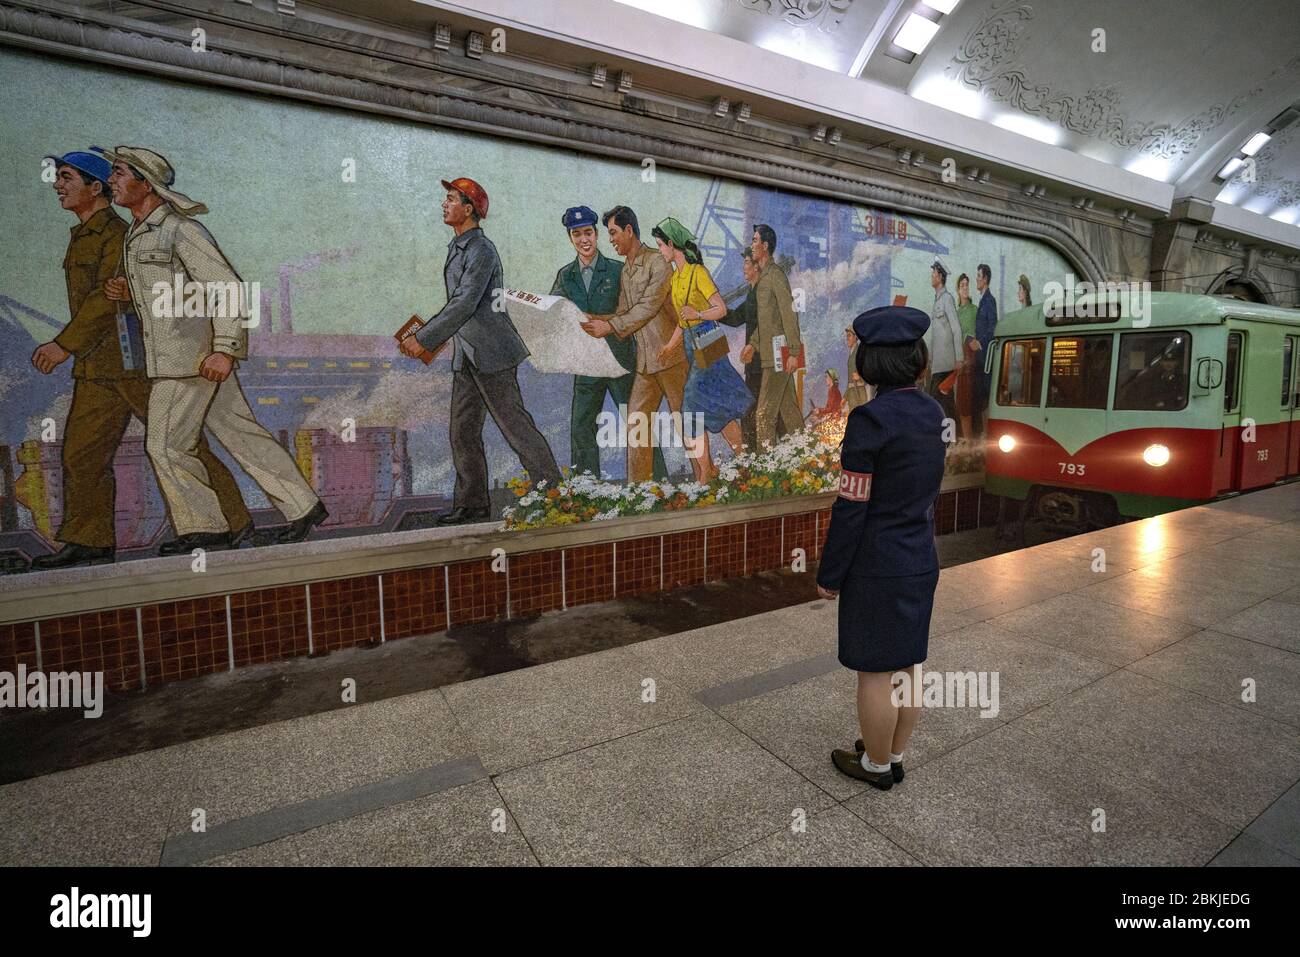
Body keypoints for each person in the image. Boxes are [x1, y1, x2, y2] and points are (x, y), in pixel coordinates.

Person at [30, 151, 251, 568]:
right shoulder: (83, 234)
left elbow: (101, 301)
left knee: (180, 446)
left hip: (135, 362)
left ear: (95, 188)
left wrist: (64, 344)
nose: (57, 185)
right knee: (82, 454)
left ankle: (231, 523)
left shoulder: (118, 234)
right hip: (98, 369)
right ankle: (89, 539)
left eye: (66, 177)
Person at [100, 145, 324, 554]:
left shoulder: (180, 229)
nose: (110, 179)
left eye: (117, 173)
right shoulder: (138, 233)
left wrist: (225, 349)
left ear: (144, 183)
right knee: (241, 434)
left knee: (165, 445)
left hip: (191, 361)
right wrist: (131, 294)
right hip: (185, 357)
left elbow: (227, 288)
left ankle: (204, 529)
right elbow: (173, 293)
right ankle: (303, 506)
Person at [816, 305, 946, 790]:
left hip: (876, 566)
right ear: (918, 361)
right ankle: (891, 753)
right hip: (919, 559)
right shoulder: (933, 413)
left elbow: (852, 506)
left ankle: (873, 767)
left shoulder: (868, 420)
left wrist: (830, 574)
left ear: (870, 365)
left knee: (874, 671)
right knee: (907, 665)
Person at [401, 176, 562, 524]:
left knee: (515, 427)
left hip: (492, 353)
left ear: (469, 208)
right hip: (468, 353)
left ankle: (554, 494)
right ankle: (472, 504)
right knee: (462, 431)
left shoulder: (481, 250)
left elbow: (464, 303)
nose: (444, 205)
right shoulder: (459, 247)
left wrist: (425, 337)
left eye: (451, 199)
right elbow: (459, 306)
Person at [550, 205, 666, 481]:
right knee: (581, 426)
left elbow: (632, 311)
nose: (583, 240)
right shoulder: (565, 276)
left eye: (588, 232)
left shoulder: (618, 270)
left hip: (621, 360)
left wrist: (602, 322)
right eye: (576, 234)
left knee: (637, 422)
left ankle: (657, 482)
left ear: (596, 234)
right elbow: (556, 313)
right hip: (587, 364)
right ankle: (587, 488)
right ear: (570, 238)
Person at [579, 206, 687, 484]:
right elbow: (623, 311)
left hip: (672, 358)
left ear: (629, 230)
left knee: (686, 422)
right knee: (637, 425)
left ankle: (706, 479)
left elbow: (647, 307)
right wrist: (594, 319)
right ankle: (640, 490)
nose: (611, 239)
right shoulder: (627, 270)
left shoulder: (657, 262)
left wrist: (610, 326)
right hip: (646, 364)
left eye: (613, 233)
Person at [649, 217, 753, 483]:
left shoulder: (698, 273)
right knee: (718, 408)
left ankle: (706, 474)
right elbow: (683, 322)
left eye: (661, 245)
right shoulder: (676, 279)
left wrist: (698, 312)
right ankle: (743, 463)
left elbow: (721, 309)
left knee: (690, 410)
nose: (660, 251)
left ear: (672, 244)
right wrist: (669, 346)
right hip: (691, 344)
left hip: (709, 343)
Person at [739, 224, 803, 448]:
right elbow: (768, 322)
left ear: (765, 246)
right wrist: (753, 345)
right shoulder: (764, 279)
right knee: (790, 413)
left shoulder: (776, 276)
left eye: (755, 240)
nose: (752, 245)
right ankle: (806, 460)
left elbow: (789, 315)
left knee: (764, 414)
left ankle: (766, 469)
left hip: (780, 353)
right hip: (769, 353)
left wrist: (794, 353)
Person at [718, 248, 764, 450]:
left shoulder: (762, 293)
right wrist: (716, 312)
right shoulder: (753, 294)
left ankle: (752, 455)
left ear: (756, 266)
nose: (743, 267)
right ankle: (752, 454)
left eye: (747, 262)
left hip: (762, 361)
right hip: (755, 363)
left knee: (753, 409)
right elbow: (736, 318)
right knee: (753, 409)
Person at [925, 260, 963, 427]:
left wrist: (959, 358)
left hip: (946, 364)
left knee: (936, 402)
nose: (931, 277)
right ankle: (956, 439)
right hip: (937, 365)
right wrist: (930, 360)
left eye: (933, 274)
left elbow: (956, 329)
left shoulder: (947, 299)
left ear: (940, 277)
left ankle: (952, 440)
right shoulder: (937, 301)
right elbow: (936, 337)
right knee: (945, 405)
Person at [955, 272, 980, 439]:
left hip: (971, 360)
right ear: (957, 289)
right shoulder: (956, 313)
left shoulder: (974, 310)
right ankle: (966, 441)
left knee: (969, 403)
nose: (965, 288)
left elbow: (975, 338)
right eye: (962, 285)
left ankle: (971, 442)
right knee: (960, 404)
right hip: (958, 362)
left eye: (967, 285)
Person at [973, 263, 997, 438]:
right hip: (980, 358)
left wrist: (979, 343)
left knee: (985, 397)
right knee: (980, 398)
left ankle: (988, 435)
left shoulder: (989, 300)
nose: (977, 279)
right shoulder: (983, 300)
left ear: (986, 279)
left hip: (985, 359)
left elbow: (992, 327)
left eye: (979, 276)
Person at [842, 326, 869, 412]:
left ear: (855, 337)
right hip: (852, 395)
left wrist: (860, 377)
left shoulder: (860, 352)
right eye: (847, 336)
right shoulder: (851, 354)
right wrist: (845, 397)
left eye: (849, 336)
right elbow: (849, 381)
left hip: (859, 394)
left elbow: (870, 372)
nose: (847, 339)